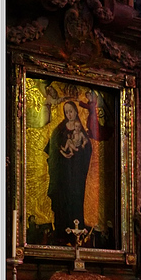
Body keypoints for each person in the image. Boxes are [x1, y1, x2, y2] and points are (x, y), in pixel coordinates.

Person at [45, 100, 93, 240]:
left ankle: (78, 233)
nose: (69, 114)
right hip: (62, 174)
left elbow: (87, 148)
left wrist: (78, 152)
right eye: (66, 112)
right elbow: (53, 148)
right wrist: (63, 154)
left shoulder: (80, 129)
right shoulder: (60, 129)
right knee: (62, 198)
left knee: (76, 198)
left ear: (76, 112)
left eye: (71, 111)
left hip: (76, 174)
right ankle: (61, 230)